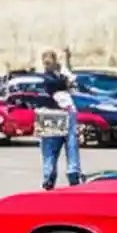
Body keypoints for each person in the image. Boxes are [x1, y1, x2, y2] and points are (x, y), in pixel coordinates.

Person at [36, 50, 81, 189]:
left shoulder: (42, 78)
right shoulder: (60, 77)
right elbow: (72, 84)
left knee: (49, 147)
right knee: (71, 143)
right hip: (64, 112)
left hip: (48, 113)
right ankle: (73, 172)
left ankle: (48, 175)